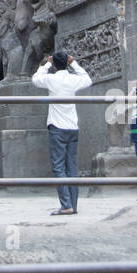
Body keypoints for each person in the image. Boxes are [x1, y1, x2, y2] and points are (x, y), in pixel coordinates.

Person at [31, 50, 93, 215]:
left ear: (54, 63)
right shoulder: (73, 79)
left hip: (57, 128)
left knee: (59, 167)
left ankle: (66, 205)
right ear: (66, 63)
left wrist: (46, 65)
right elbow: (87, 79)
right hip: (73, 127)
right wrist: (74, 63)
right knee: (72, 167)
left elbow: (35, 79)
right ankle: (73, 204)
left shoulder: (51, 79)